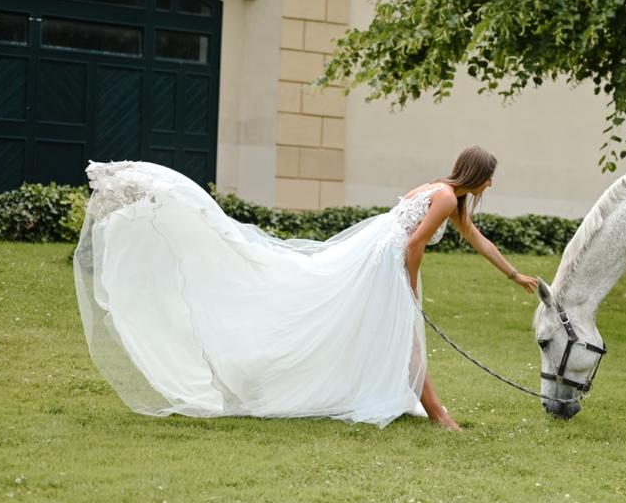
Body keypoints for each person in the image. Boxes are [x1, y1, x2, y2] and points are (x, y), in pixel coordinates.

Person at [73, 146, 536, 430]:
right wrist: (410, 288)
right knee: (403, 333)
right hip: (384, 262)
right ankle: (439, 415)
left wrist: (514, 275)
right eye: (490, 175)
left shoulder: (442, 191)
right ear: (478, 175)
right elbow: (414, 242)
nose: (493, 182)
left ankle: (431, 409)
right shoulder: (445, 196)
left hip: (379, 254)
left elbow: (476, 238)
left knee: (383, 334)